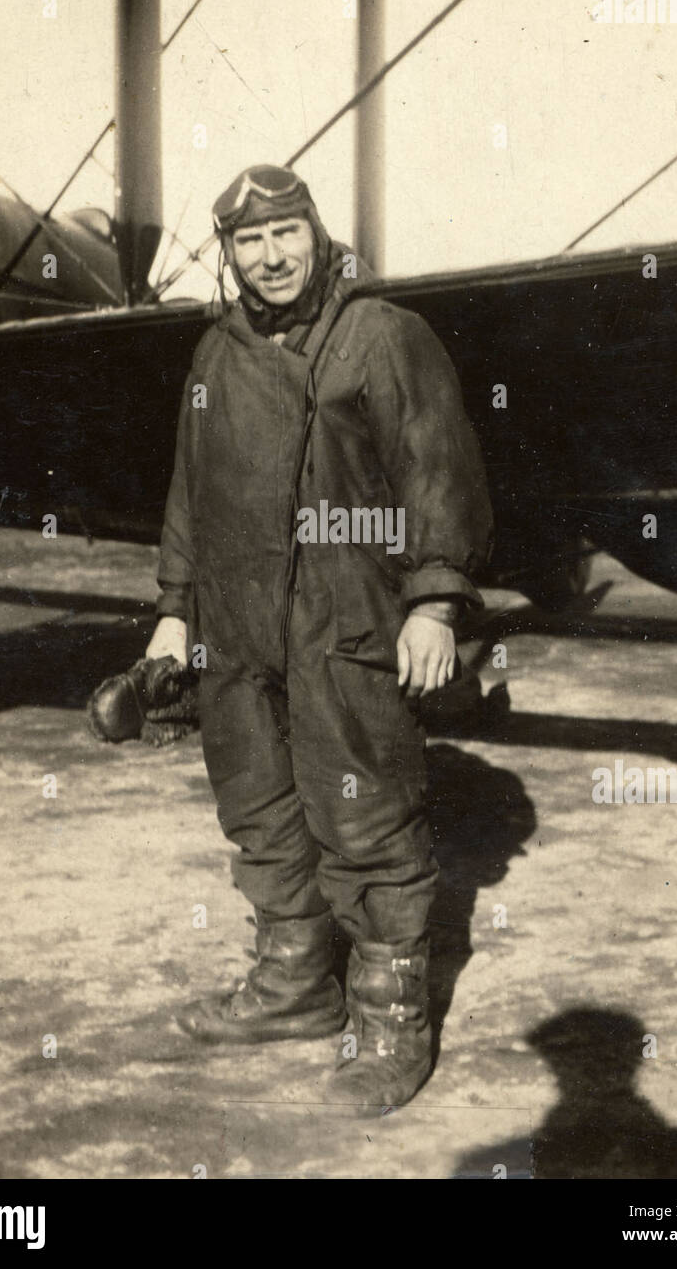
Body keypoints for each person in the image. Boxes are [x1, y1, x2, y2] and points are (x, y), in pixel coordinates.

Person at [147, 164, 493, 1110]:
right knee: (259, 805)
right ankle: (295, 983)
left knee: (365, 818)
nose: (270, 257)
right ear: (229, 254)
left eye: (285, 233)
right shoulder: (216, 352)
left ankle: (388, 1022)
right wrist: (176, 612)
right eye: (249, 243)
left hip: (347, 617)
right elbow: (190, 486)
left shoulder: (381, 335)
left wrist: (433, 603)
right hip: (238, 619)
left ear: (315, 231)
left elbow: (437, 472)